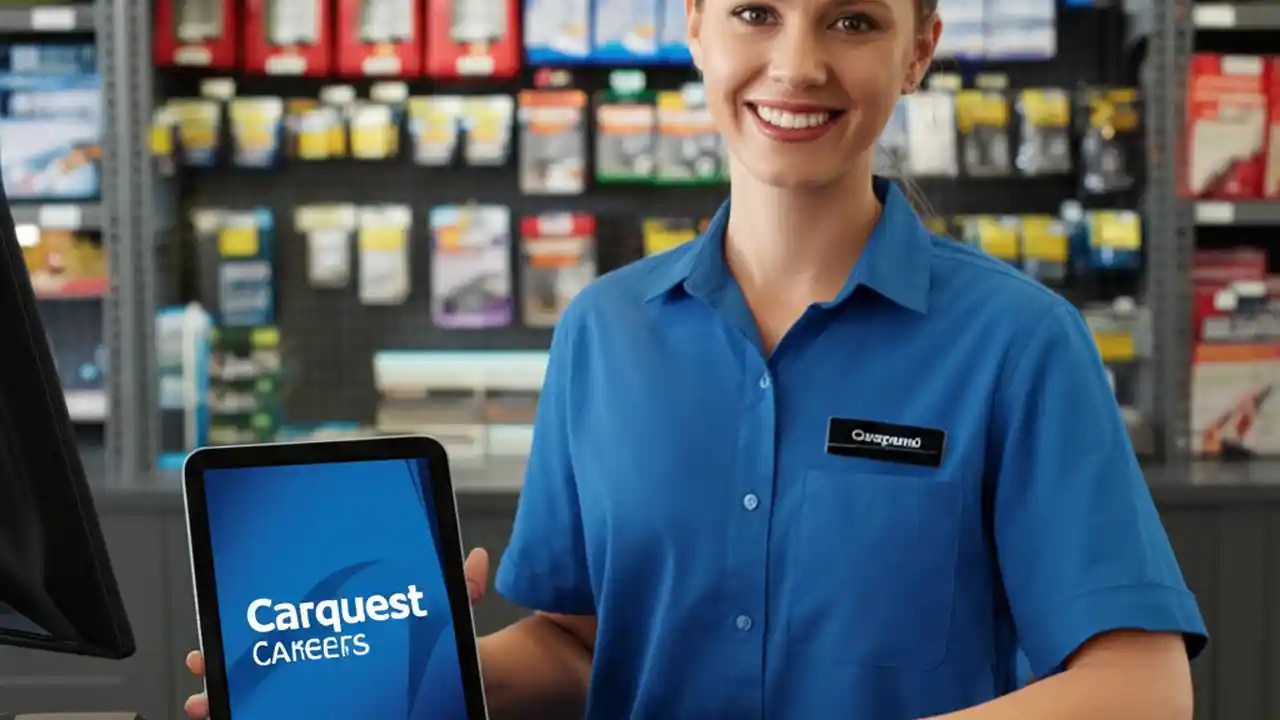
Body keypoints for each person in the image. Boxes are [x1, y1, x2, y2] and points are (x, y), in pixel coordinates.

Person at [185, 0, 1208, 716]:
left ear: (917, 50)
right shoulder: (601, 330)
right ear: (693, 27)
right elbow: (588, 646)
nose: (797, 63)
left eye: (850, 20)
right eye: (753, 13)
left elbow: (1140, 689)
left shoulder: (1017, 343)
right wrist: (390, 671)